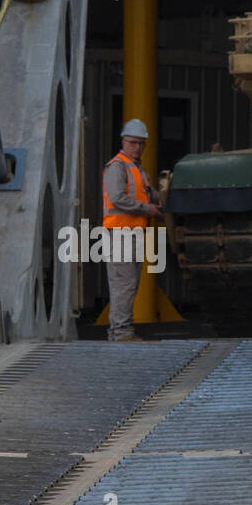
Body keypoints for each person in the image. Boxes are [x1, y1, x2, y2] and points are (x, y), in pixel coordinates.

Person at [102, 118, 161, 341]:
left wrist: (159, 202)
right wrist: (148, 209)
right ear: (123, 142)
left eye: (141, 143)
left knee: (129, 284)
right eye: (132, 142)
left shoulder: (138, 170)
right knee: (123, 285)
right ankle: (121, 333)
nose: (137, 147)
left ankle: (122, 331)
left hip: (133, 233)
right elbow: (117, 199)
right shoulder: (117, 167)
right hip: (119, 234)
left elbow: (150, 193)